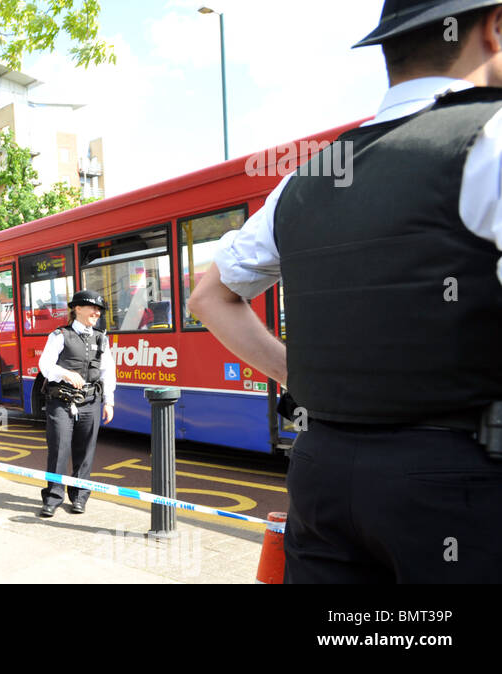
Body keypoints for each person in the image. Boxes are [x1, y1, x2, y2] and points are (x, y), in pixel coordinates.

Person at [189, 0, 502, 583]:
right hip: (459, 481)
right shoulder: (490, 139)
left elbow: (209, 297)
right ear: (495, 27)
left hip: (322, 471)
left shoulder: (305, 177)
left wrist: (300, 377)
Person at [36, 290, 115, 517]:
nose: (96, 313)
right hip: (61, 401)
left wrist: (109, 401)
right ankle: (53, 498)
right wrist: (66, 373)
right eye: (92, 308)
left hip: (91, 401)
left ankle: (79, 497)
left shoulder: (101, 337)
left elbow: (108, 372)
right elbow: (46, 365)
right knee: (59, 449)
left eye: (99, 310)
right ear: (77, 309)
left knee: (85, 452)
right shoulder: (60, 334)